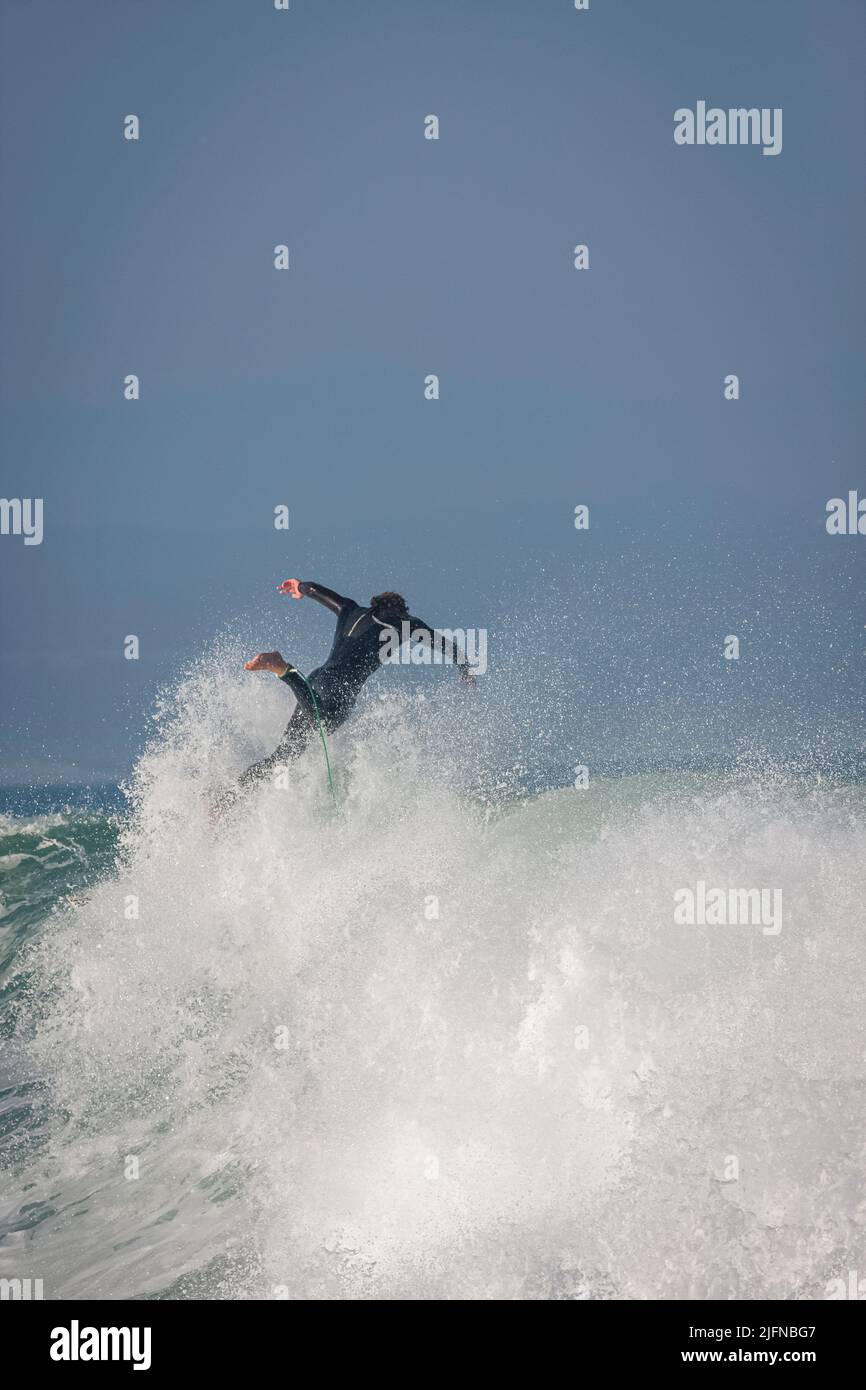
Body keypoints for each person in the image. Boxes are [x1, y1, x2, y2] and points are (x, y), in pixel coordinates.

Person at [238, 579, 475, 789]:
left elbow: (314, 590)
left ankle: (226, 801)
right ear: (400, 610)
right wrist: (464, 667)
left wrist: (299, 586)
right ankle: (283, 669)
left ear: (375, 605)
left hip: (316, 679)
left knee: (283, 756)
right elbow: (444, 645)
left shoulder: (348, 608)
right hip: (340, 687)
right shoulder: (405, 623)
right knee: (325, 724)